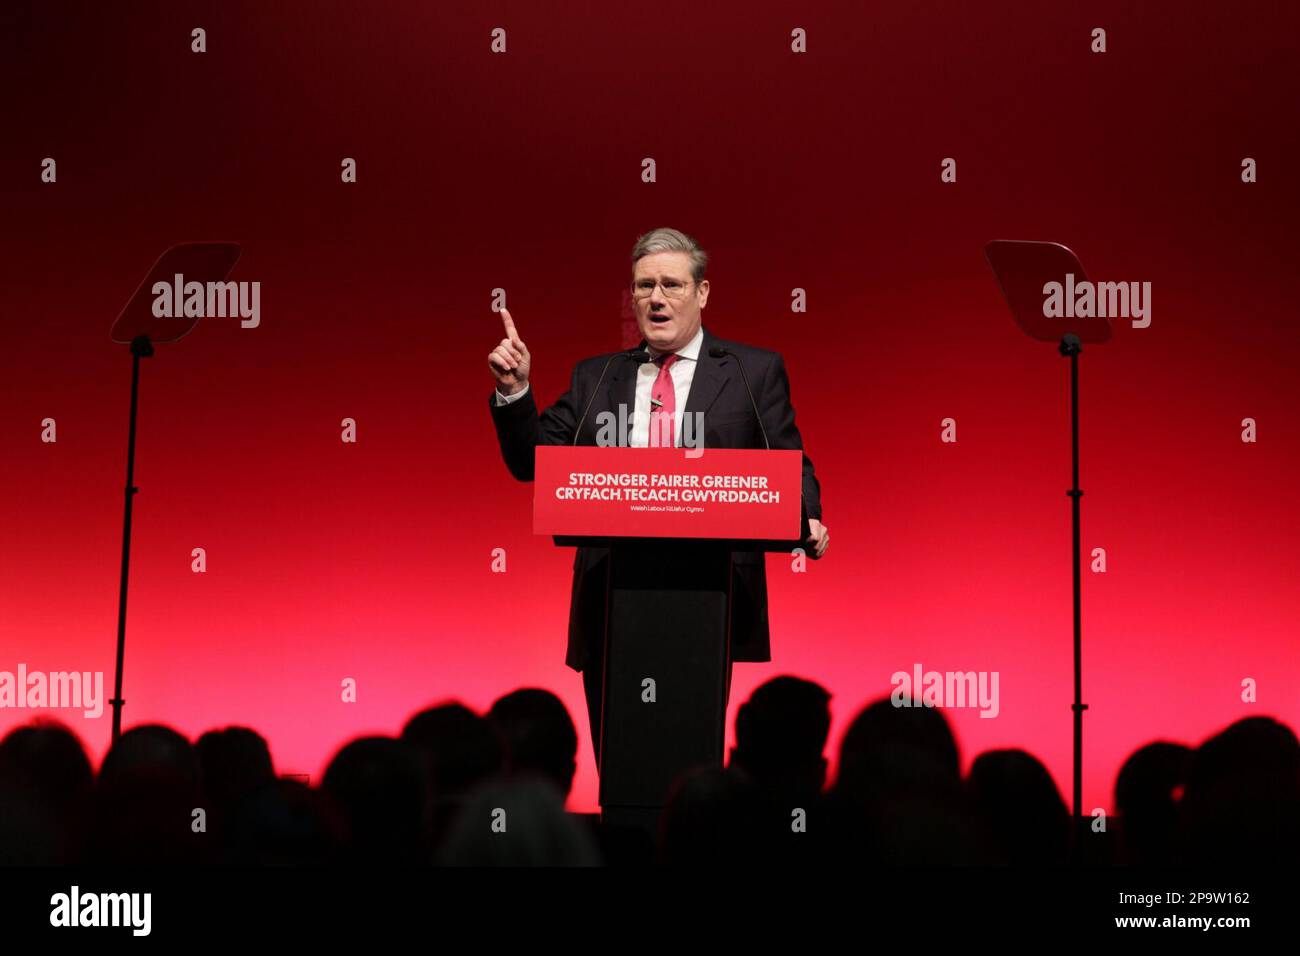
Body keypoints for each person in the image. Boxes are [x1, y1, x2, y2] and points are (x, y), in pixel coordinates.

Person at [487, 226, 828, 759]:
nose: (656, 298)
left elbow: (787, 461)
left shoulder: (750, 371)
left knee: (690, 761)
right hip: (611, 596)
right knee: (619, 757)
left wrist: (806, 517)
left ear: (702, 293)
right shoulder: (597, 378)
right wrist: (515, 393)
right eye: (644, 286)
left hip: (709, 593)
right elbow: (533, 464)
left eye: (671, 285)